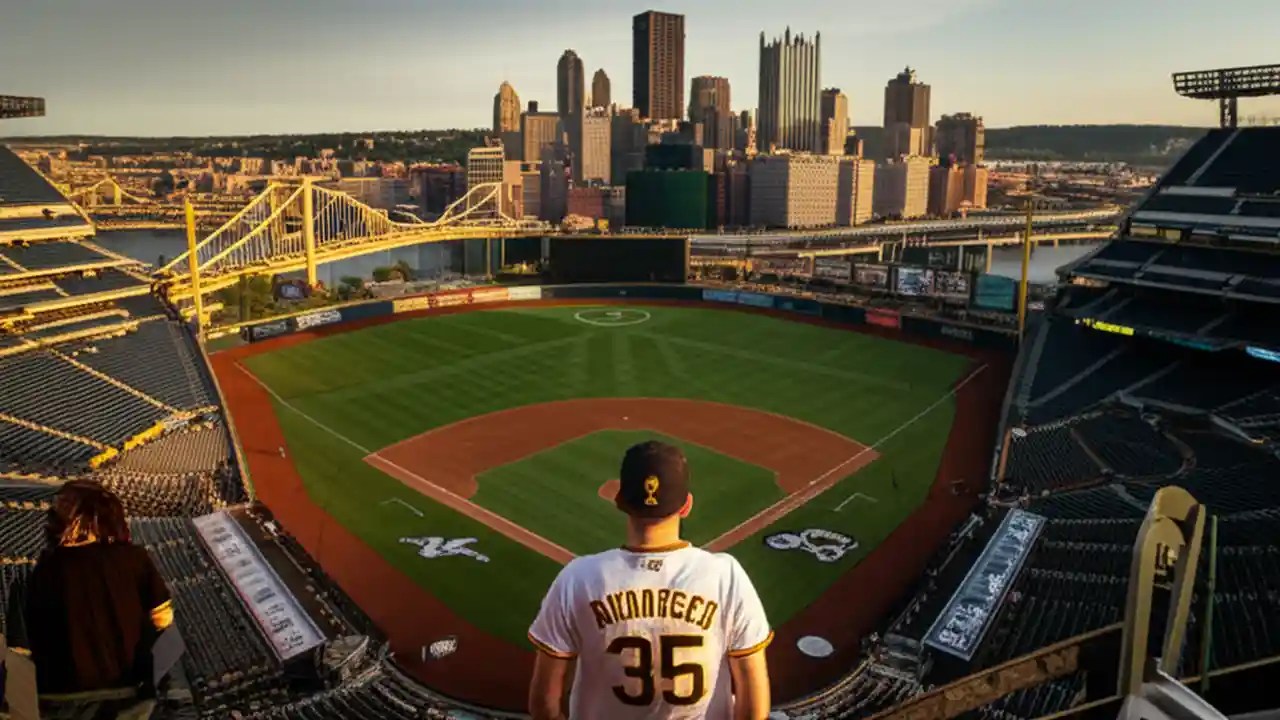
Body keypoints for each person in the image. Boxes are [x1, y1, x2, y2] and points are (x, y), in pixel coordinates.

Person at [527, 441, 772, 720]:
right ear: (687, 505)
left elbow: (544, 704)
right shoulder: (727, 577)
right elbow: (754, 707)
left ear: (619, 499)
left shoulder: (577, 577)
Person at [13, 480, 174, 716]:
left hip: (58, 697)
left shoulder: (45, 568)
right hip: (126, 694)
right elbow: (163, 622)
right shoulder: (134, 559)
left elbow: (28, 638)